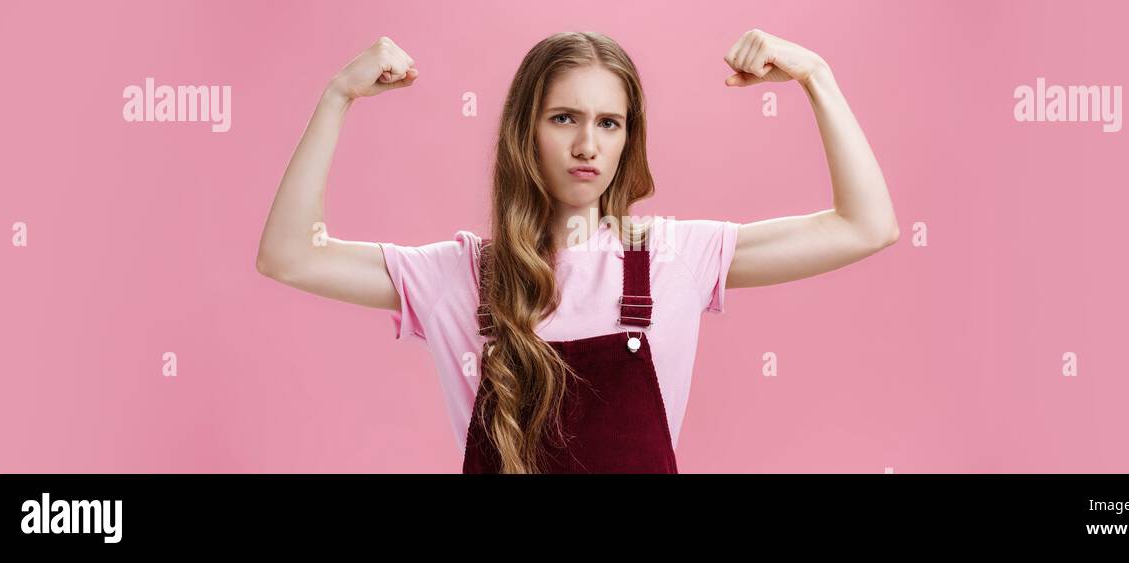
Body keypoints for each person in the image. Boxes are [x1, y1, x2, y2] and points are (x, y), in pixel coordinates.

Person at [256, 30, 899, 474]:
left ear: (627, 139)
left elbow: (864, 225)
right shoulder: (460, 275)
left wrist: (817, 76)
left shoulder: (676, 255)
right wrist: (338, 95)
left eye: (609, 122)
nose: (587, 144)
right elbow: (289, 254)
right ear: (523, 131)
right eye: (563, 117)